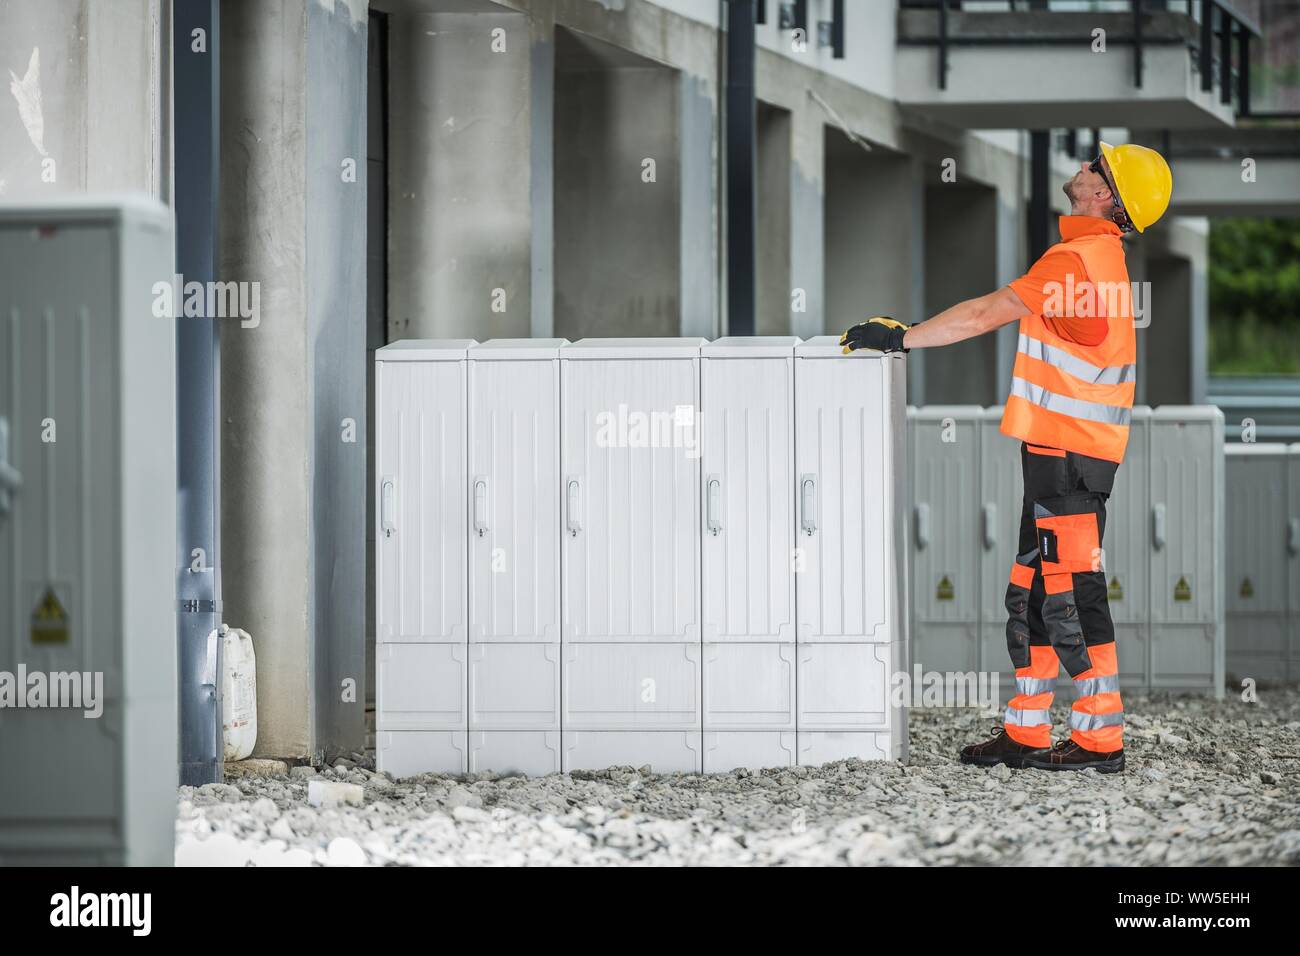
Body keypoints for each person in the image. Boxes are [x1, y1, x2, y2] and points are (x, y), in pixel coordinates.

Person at [841, 142, 1173, 773]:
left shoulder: (1077, 262)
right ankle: (1026, 732)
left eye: (1092, 168)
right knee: (1033, 592)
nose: (1079, 168)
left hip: (1071, 460)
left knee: (1073, 593)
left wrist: (902, 337)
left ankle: (1100, 742)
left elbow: (987, 313)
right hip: (1056, 456)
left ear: (1106, 195)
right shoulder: (1094, 260)